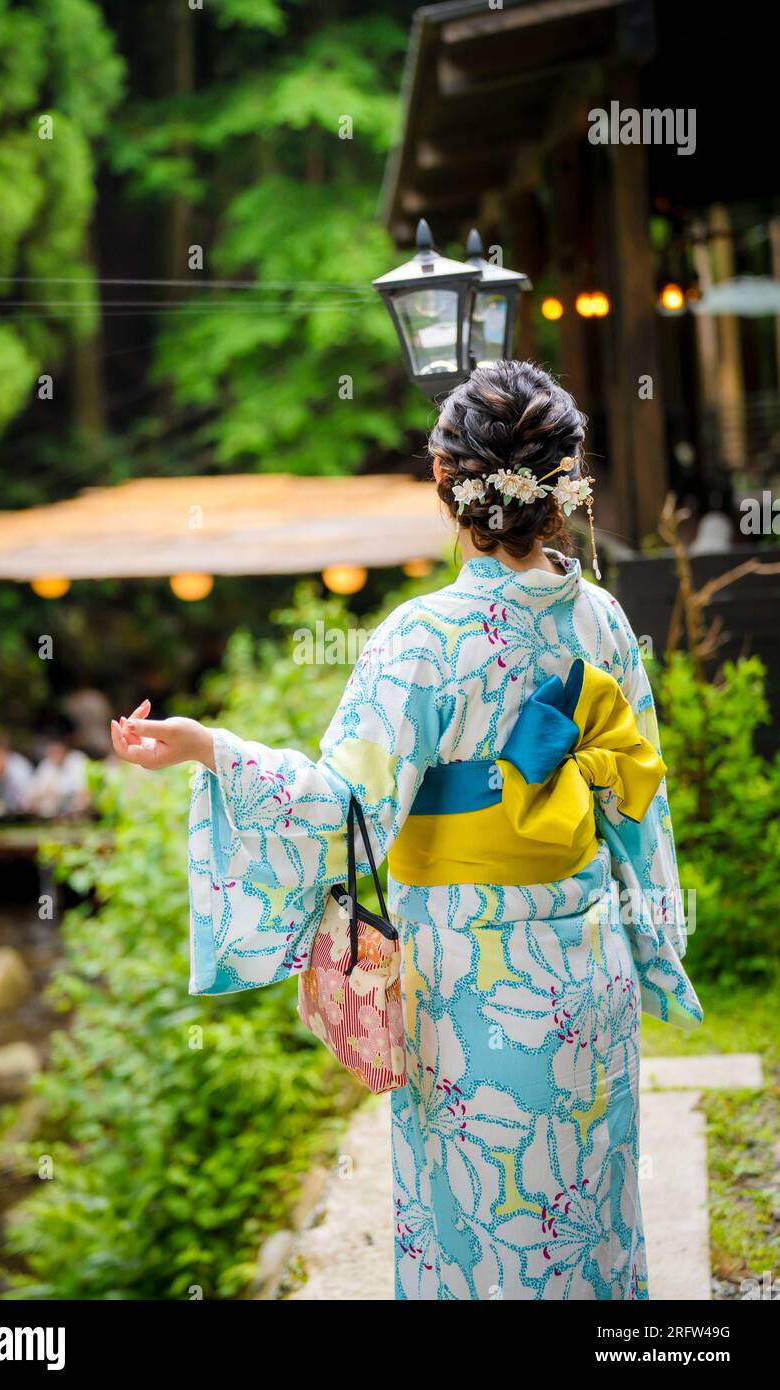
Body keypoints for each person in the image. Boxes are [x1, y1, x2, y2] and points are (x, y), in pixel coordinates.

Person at [110, 361, 702, 1302]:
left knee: (482, 1236)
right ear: (564, 486)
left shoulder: (421, 640)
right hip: (591, 974)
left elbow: (342, 809)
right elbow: (639, 804)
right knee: (592, 1228)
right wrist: (658, 946)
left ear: (444, 478)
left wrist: (209, 749)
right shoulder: (604, 620)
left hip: (471, 985)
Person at [25, 728, 90, 818]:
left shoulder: (77, 760)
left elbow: (83, 791)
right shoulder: (47, 764)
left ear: (64, 749)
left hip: (75, 809)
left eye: (57, 750)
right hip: (52, 811)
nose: (55, 754)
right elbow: (33, 793)